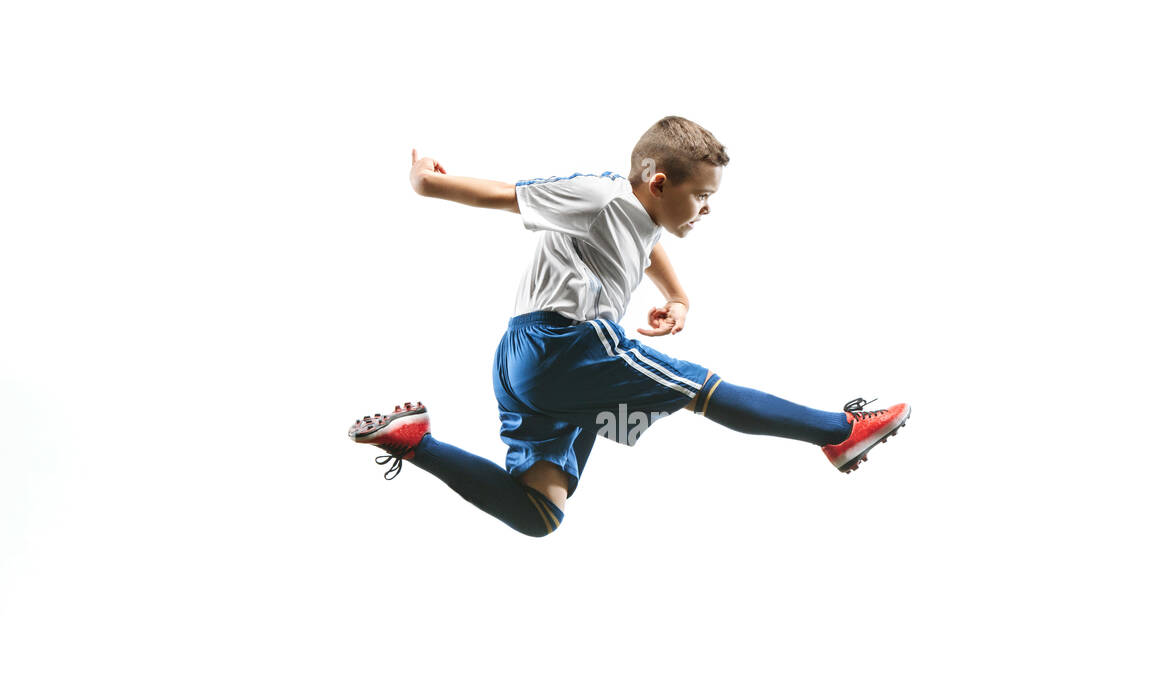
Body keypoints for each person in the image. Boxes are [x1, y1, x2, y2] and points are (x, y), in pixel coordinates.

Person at [348, 116, 910, 537]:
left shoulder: (636, 216)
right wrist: (425, 180)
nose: (707, 209)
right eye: (702, 196)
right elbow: (497, 196)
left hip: (522, 364)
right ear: (659, 182)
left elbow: (646, 244)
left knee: (540, 513)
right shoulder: (597, 195)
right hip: (564, 345)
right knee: (698, 389)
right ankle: (839, 431)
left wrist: (678, 295)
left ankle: (416, 442)